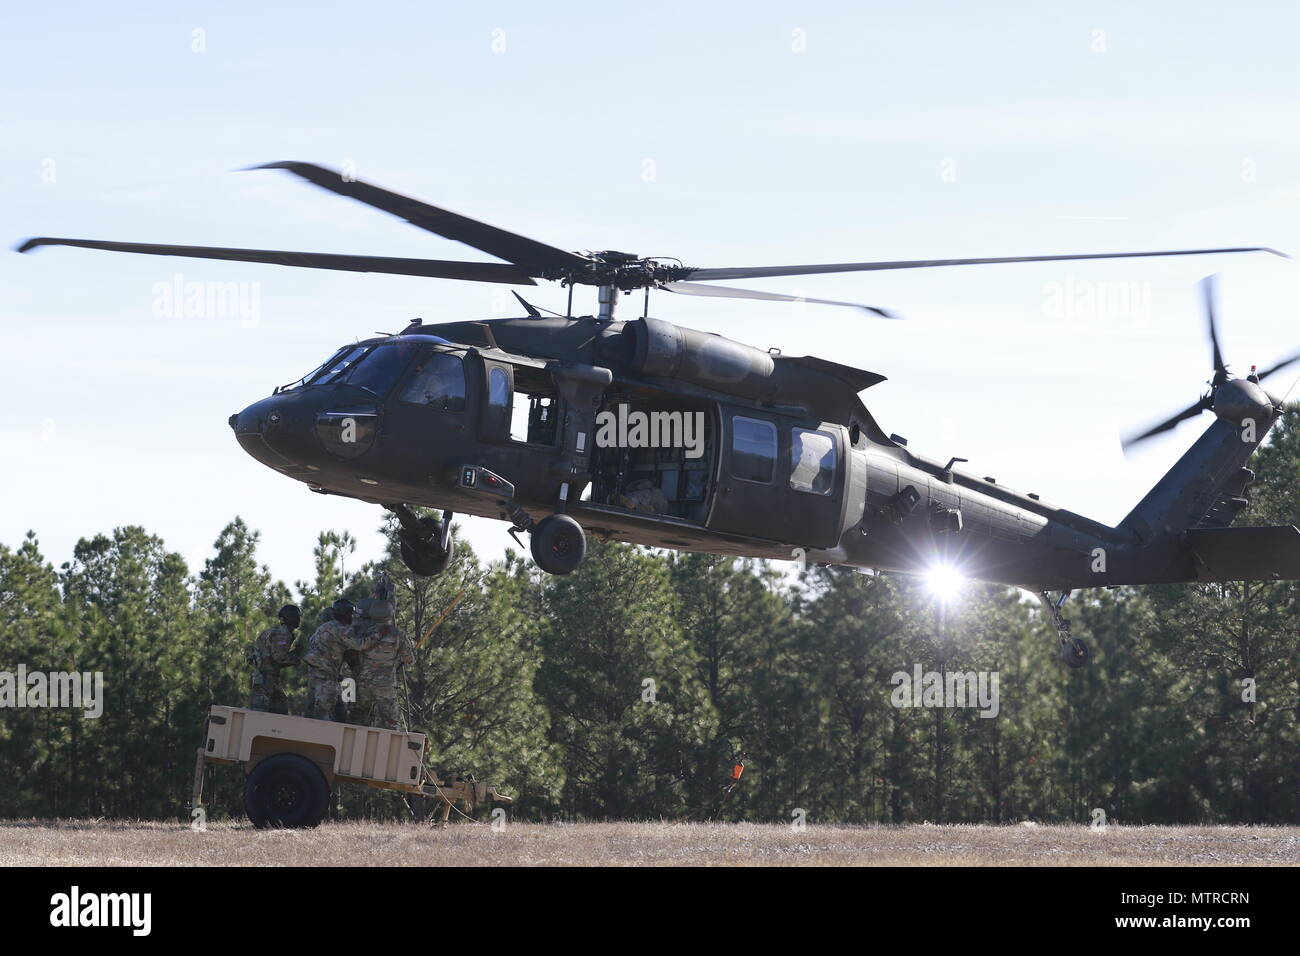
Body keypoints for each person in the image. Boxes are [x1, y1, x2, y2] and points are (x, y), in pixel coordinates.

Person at [302, 598, 375, 721]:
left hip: (316, 672)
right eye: (350, 614)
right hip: (325, 673)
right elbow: (360, 645)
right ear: (345, 614)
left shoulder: (324, 627)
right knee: (324, 710)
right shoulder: (340, 629)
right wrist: (377, 636)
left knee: (315, 706)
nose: (352, 617)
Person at [352, 599, 414, 729]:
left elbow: (355, 649)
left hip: (364, 683)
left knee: (357, 718)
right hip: (385, 685)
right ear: (390, 614)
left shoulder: (365, 631)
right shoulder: (397, 634)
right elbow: (409, 660)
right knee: (392, 723)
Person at [248, 605, 302, 714]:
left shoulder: (275, 632)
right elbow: (279, 658)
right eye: (297, 617)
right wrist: (296, 654)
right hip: (265, 678)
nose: (299, 620)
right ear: (292, 617)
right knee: (258, 714)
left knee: (280, 710)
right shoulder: (283, 634)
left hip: (268, 678)